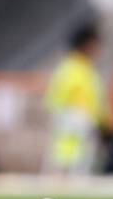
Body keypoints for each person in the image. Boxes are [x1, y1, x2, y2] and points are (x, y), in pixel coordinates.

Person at [45, 22, 109, 172]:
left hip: (88, 134)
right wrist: (75, 119)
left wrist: (102, 122)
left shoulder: (87, 70)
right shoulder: (70, 69)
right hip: (72, 139)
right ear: (87, 44)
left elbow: (96, 103)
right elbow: (55, 102)